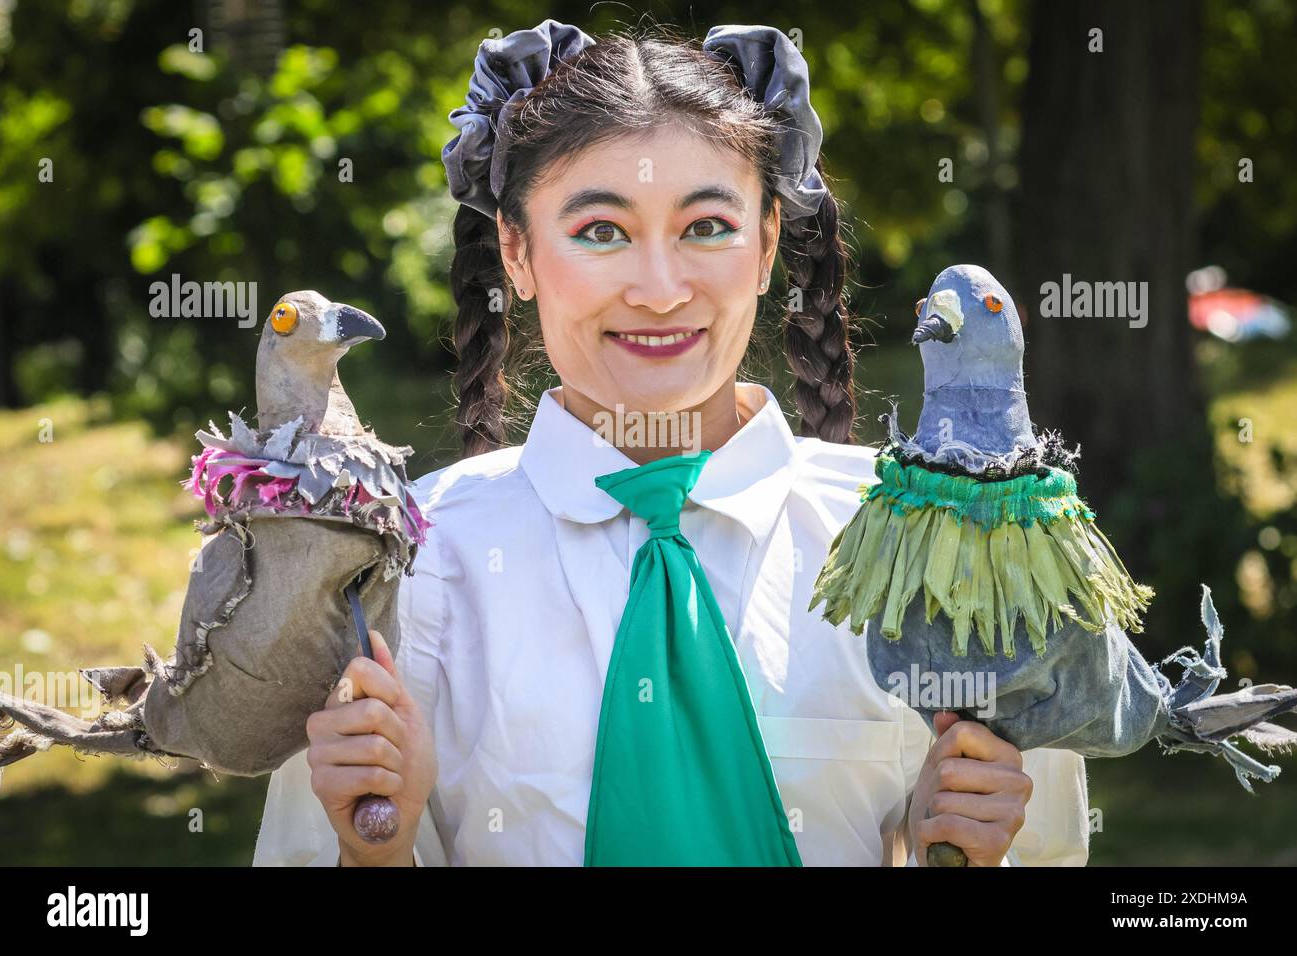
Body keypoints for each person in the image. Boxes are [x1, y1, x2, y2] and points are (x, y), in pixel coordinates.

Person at [252, 19, 1090, 867]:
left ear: (766, 245)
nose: (659, 290)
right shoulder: (397, 567)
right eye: (601, 232)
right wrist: (379, 851)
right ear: (517, 251)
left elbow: (1045, 848)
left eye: (707, 227)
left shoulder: (938, 544)